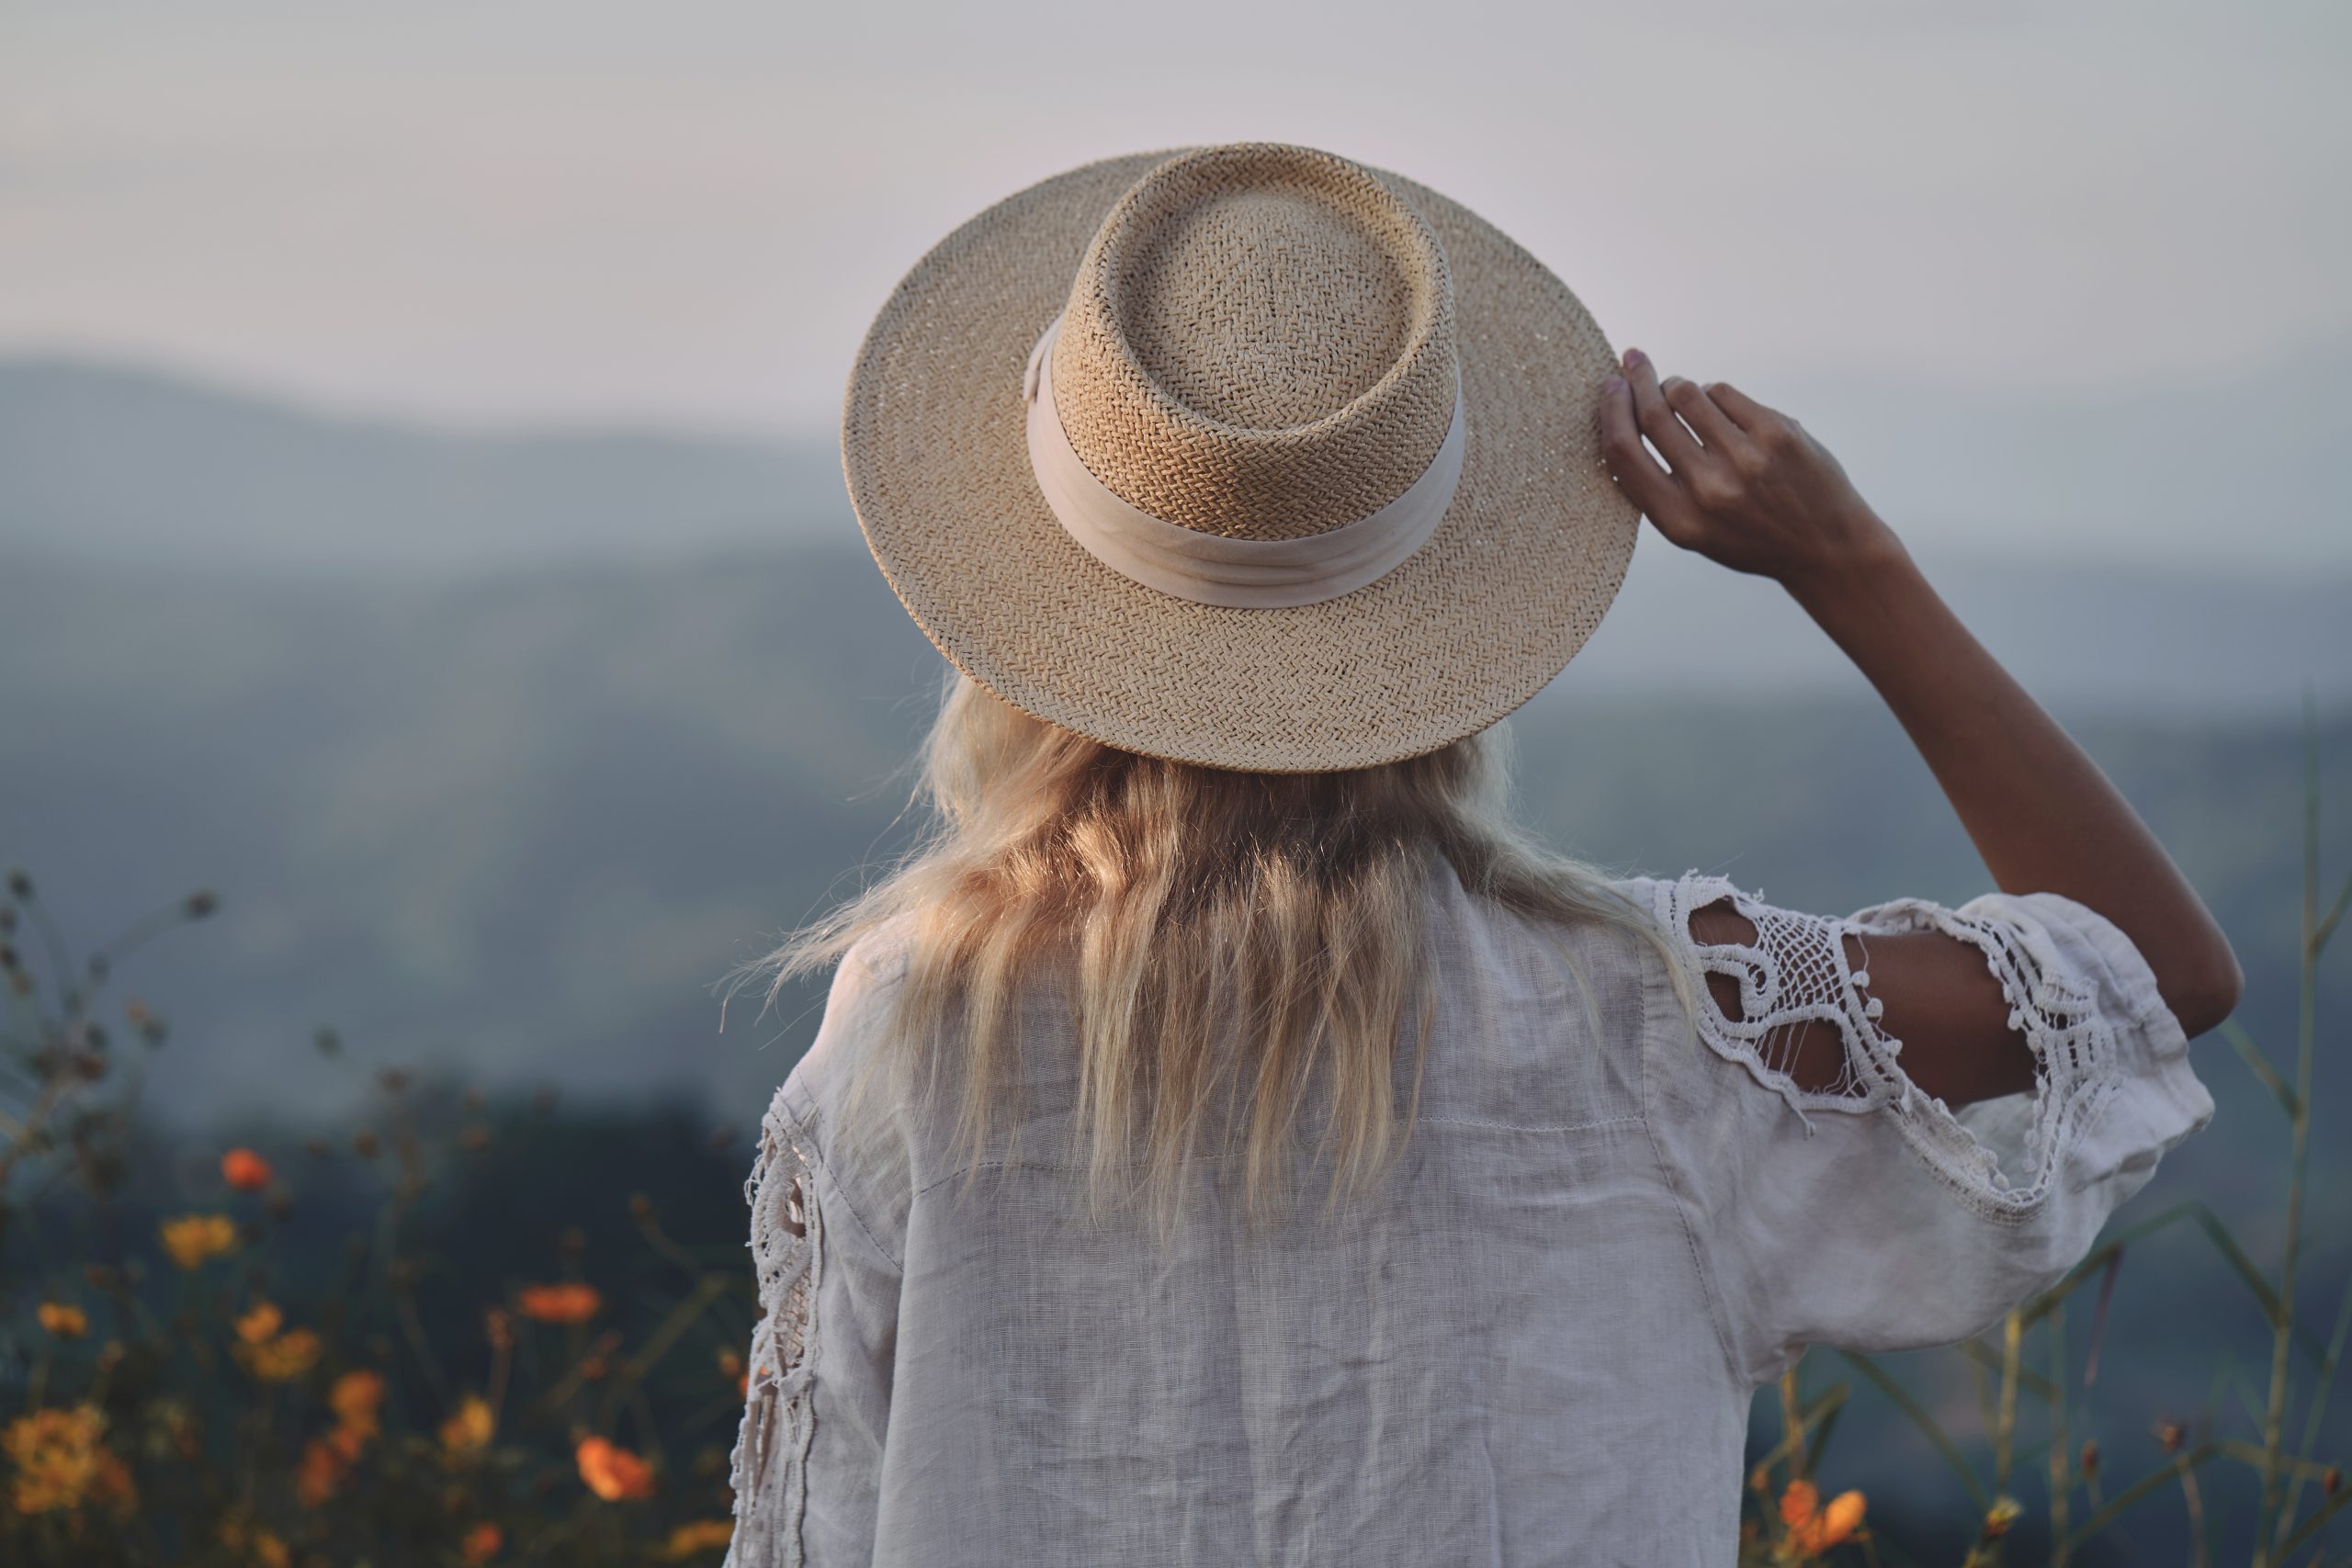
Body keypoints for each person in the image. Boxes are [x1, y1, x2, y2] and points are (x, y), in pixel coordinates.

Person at [721, 142, 2236, 1567]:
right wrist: (1852, 567)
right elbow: (2149, 977)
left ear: (1037, 617)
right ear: (1447, 601)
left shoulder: (916, 1031)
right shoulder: (1667, 1028)